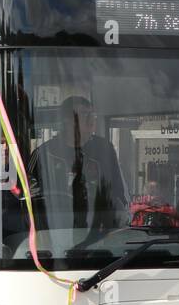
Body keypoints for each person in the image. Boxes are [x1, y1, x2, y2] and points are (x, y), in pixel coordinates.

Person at [28, 96, 128, 231]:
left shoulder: (105, 149)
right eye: (85, 114)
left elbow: (118, 193)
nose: (91, 119)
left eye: (93, 114)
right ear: (67, 120)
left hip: (97, 232)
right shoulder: (43, 154)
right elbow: (28, 199)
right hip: (54, 233)